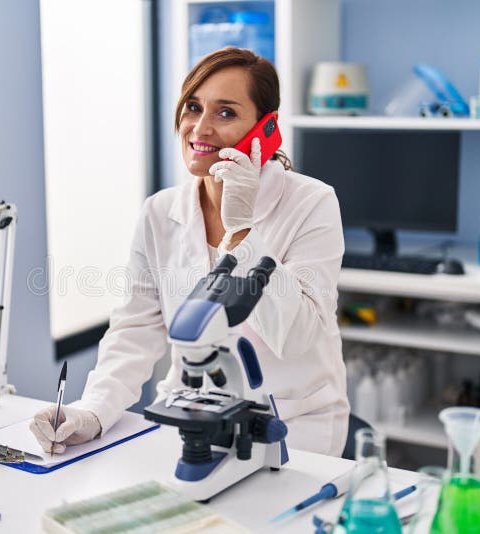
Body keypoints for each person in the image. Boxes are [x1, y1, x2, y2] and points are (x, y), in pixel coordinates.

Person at [30, 47, 349, 456]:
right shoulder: (160, 212)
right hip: (192, 414)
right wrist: (92, 412)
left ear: (265, 128)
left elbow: (299, 335)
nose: (199, 127)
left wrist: (243, 232)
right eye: (193, 107)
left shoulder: (312, 203)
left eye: (226, 112)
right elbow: (135, 331)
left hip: (293, 426)